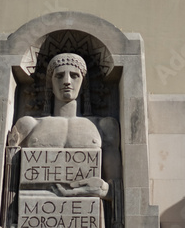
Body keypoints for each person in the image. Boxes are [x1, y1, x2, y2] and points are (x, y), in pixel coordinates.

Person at [8, 52, 109, 198]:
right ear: (50, 83)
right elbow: (10, 183)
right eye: (59, 76)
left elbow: (115, 186)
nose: (67, 81)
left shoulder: (103, 126)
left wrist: (103, 189)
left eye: (74, 76)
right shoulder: (28, 125)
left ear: (84, 83)